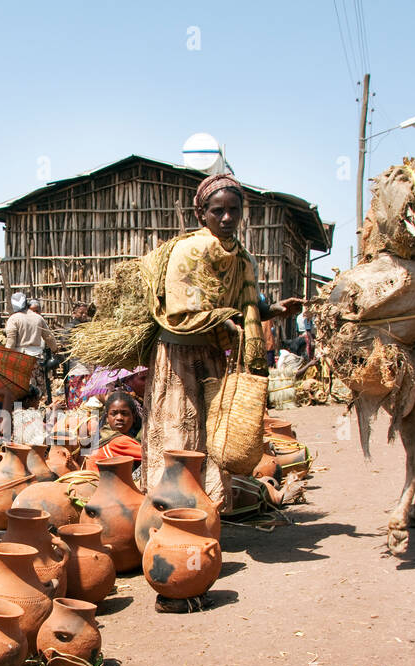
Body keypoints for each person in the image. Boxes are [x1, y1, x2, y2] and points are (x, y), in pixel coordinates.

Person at [142, 174, 300, 508]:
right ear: (201, 214)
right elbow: (179, 308)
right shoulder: (189, 251)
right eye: (218, 211)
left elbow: (248, 306)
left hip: (214, 355)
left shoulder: (242, 258)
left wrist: (273, 309)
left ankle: (207, 511)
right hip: (179, 356)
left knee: (214, 434)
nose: (227, 218)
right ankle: (169, 511)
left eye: (234, 210)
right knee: (179, 430)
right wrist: (221, 318)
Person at [84, 391, 144, 468]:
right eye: (114, 414)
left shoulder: (107, 436)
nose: (119, 418)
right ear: (107, 418)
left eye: (124, 413)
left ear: (134, 417)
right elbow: (152, 456)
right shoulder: (119, 442)